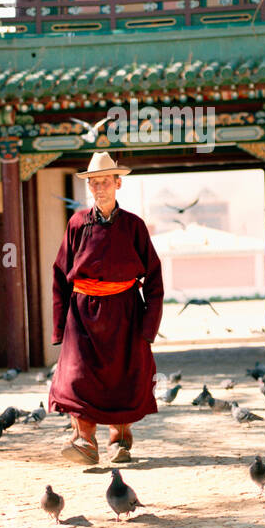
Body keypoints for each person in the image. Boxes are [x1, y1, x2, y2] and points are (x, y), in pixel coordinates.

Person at [48, 152, 164, 464]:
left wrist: (148, 327)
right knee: (77, 377)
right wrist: (59, 327)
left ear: (117, 183)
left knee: (124, 376)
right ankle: (84, 441)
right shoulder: (77, 223)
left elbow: (153, 277)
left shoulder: (134, 226)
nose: (100, 187)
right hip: (82, 313)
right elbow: (60, 274)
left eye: (105, 181)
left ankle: (120, 440)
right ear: (90, 187)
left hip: (125, 312)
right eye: (94, 183)